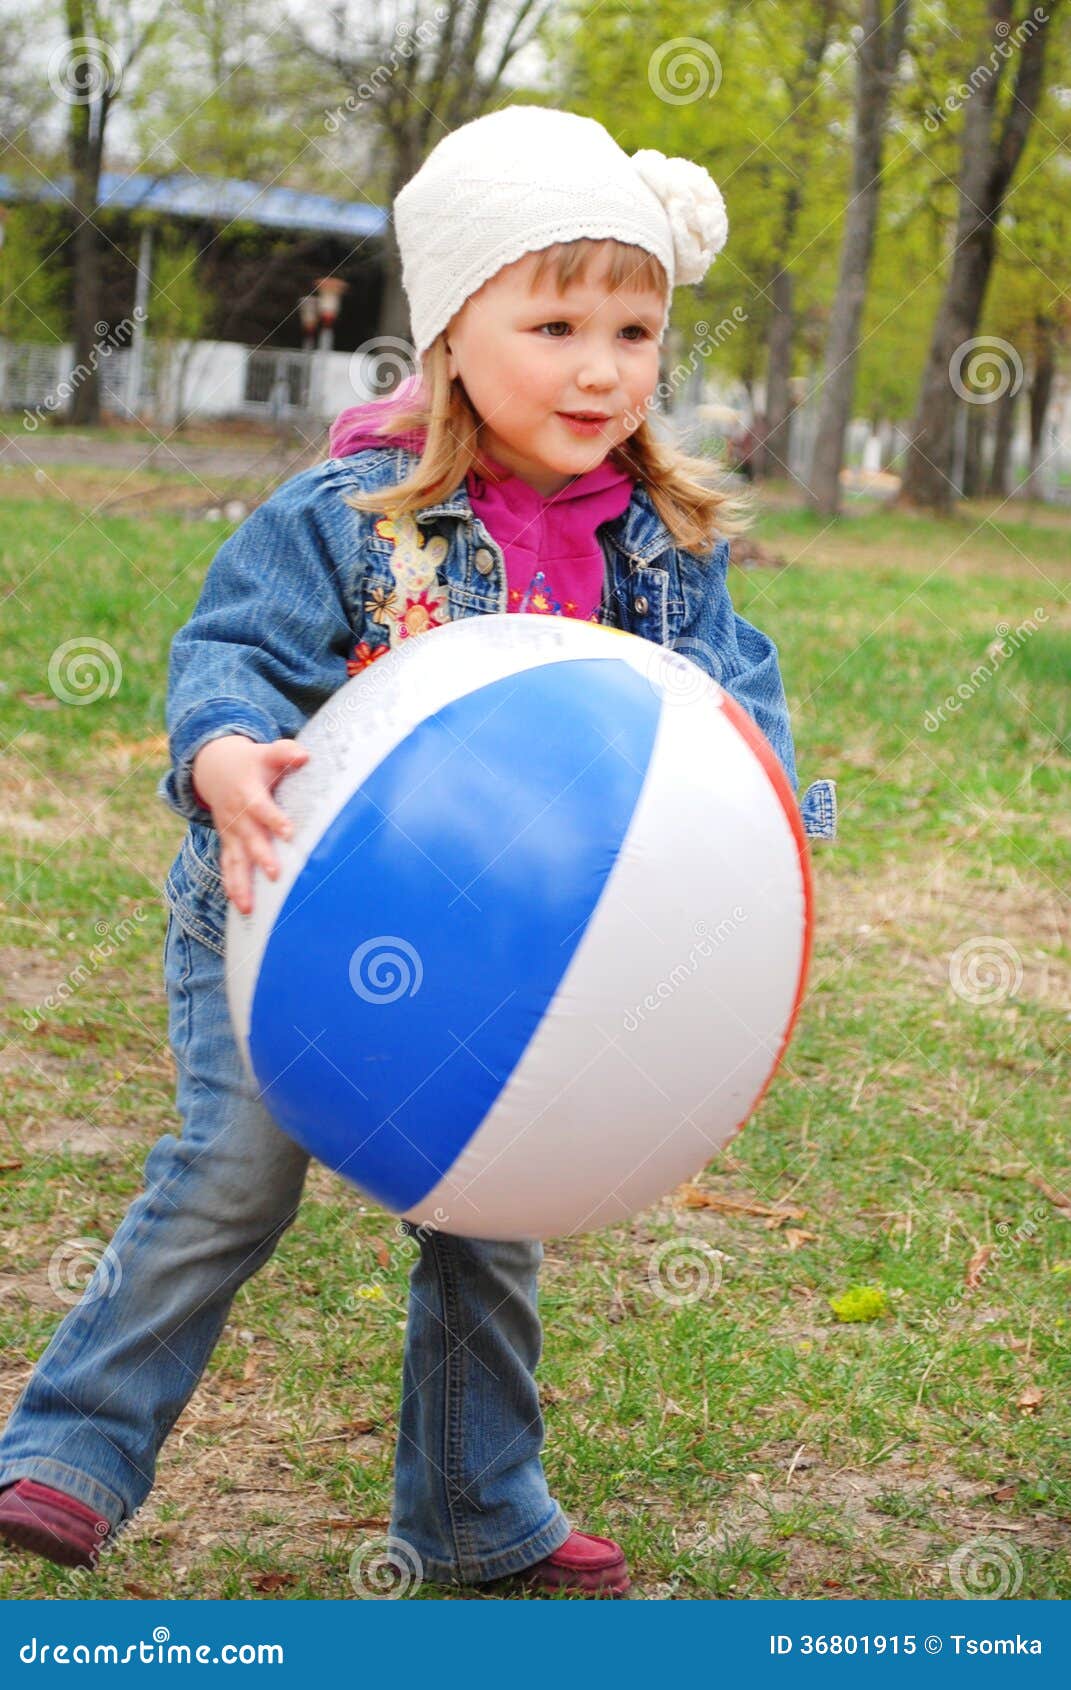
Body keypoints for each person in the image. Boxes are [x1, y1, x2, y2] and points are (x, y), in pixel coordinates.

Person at [0, 105, 836, 1599]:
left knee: (491, 1211)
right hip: (286, 915)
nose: (603, 366)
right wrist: (222, 752)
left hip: (527, 957)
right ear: (452, 330)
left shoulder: (660, 540)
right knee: (230, 1176)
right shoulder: (359, 508)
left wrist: (772, 835)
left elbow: (732, 718)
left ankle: (475, 1507)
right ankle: (67, 1446)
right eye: (558, 319)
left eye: (636, 329)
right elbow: (233, 652)